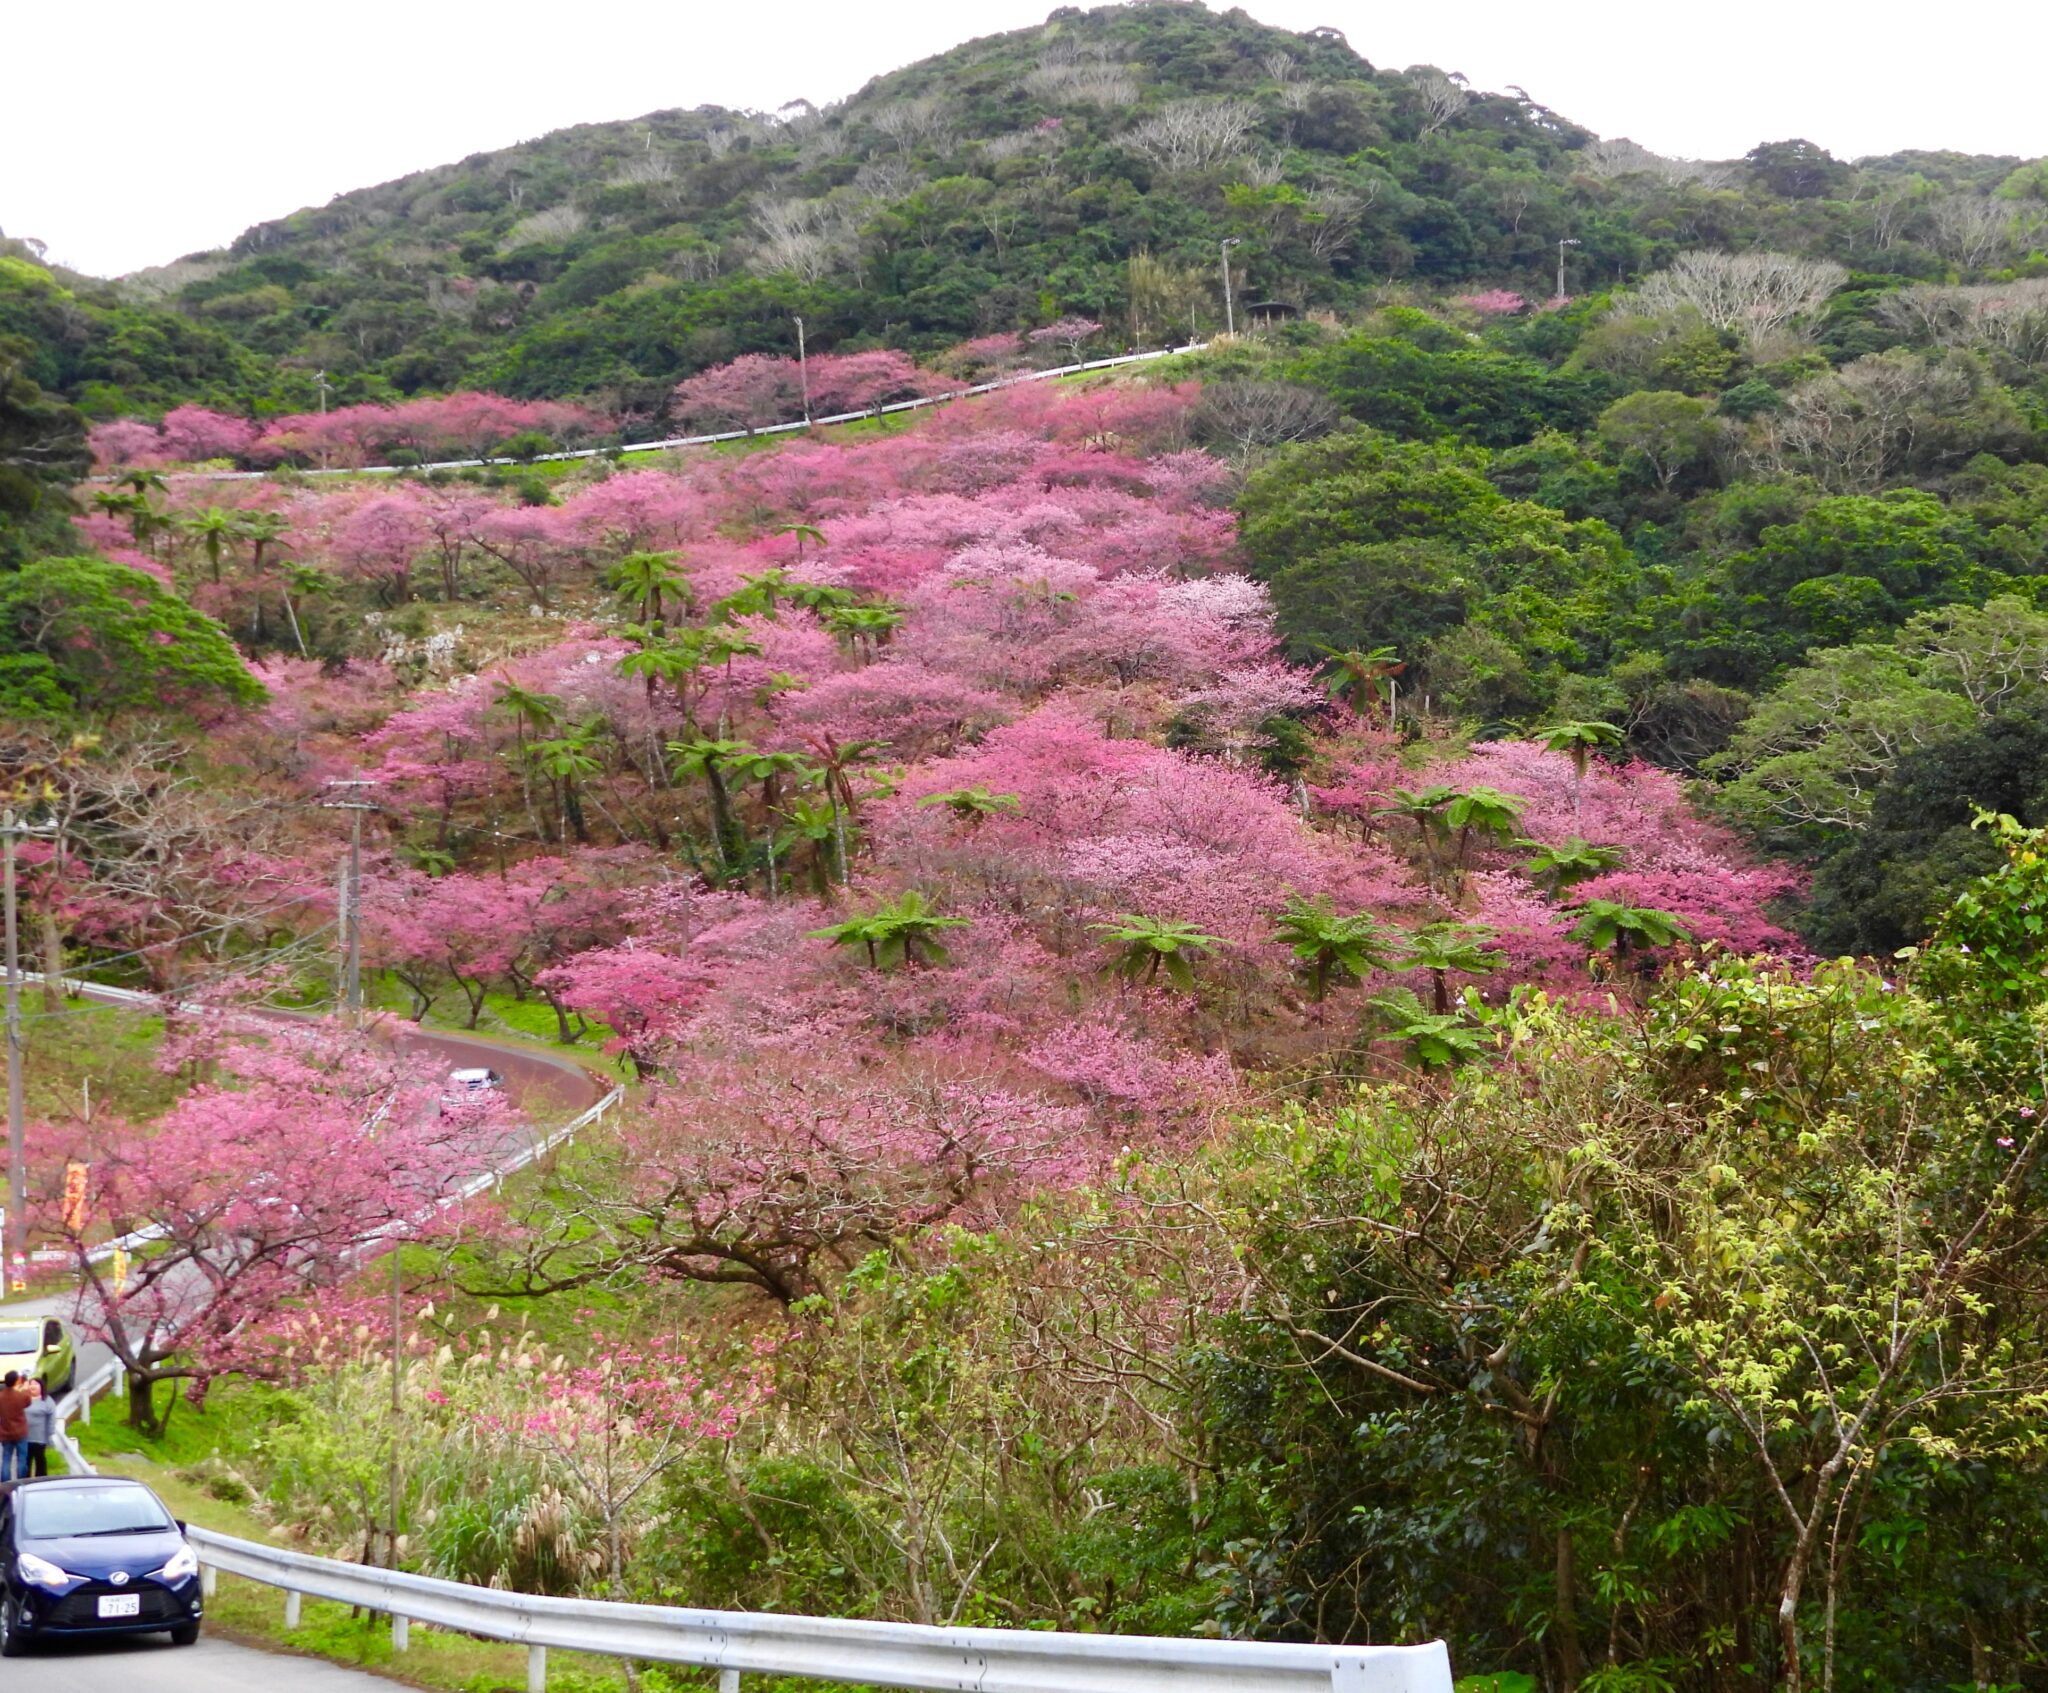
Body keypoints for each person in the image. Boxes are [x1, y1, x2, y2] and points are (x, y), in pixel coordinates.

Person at [0, 1371, 29, 1482]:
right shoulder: (20, 1396)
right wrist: (25, 1388)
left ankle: (5, 1483)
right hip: (20, 1432)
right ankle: (21, 1482)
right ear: (17, 1381)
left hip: (5, 1433)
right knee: (21, 1459)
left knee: (6, 1459)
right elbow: (28, 1401)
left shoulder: (1, 1397)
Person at [23, 1377, 54, 1477]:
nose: (33, 1386)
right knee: (26, 1462)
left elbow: (51, 1418)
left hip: (40, 1438)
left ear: (41, 1386)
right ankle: (25, 1482)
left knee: (40, 1460)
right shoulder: (24, 1398)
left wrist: (50, 1433)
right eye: (31, 1384)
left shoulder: (47, 1400)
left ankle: (40, 1482)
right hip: (25, 1437)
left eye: (36, 1384)